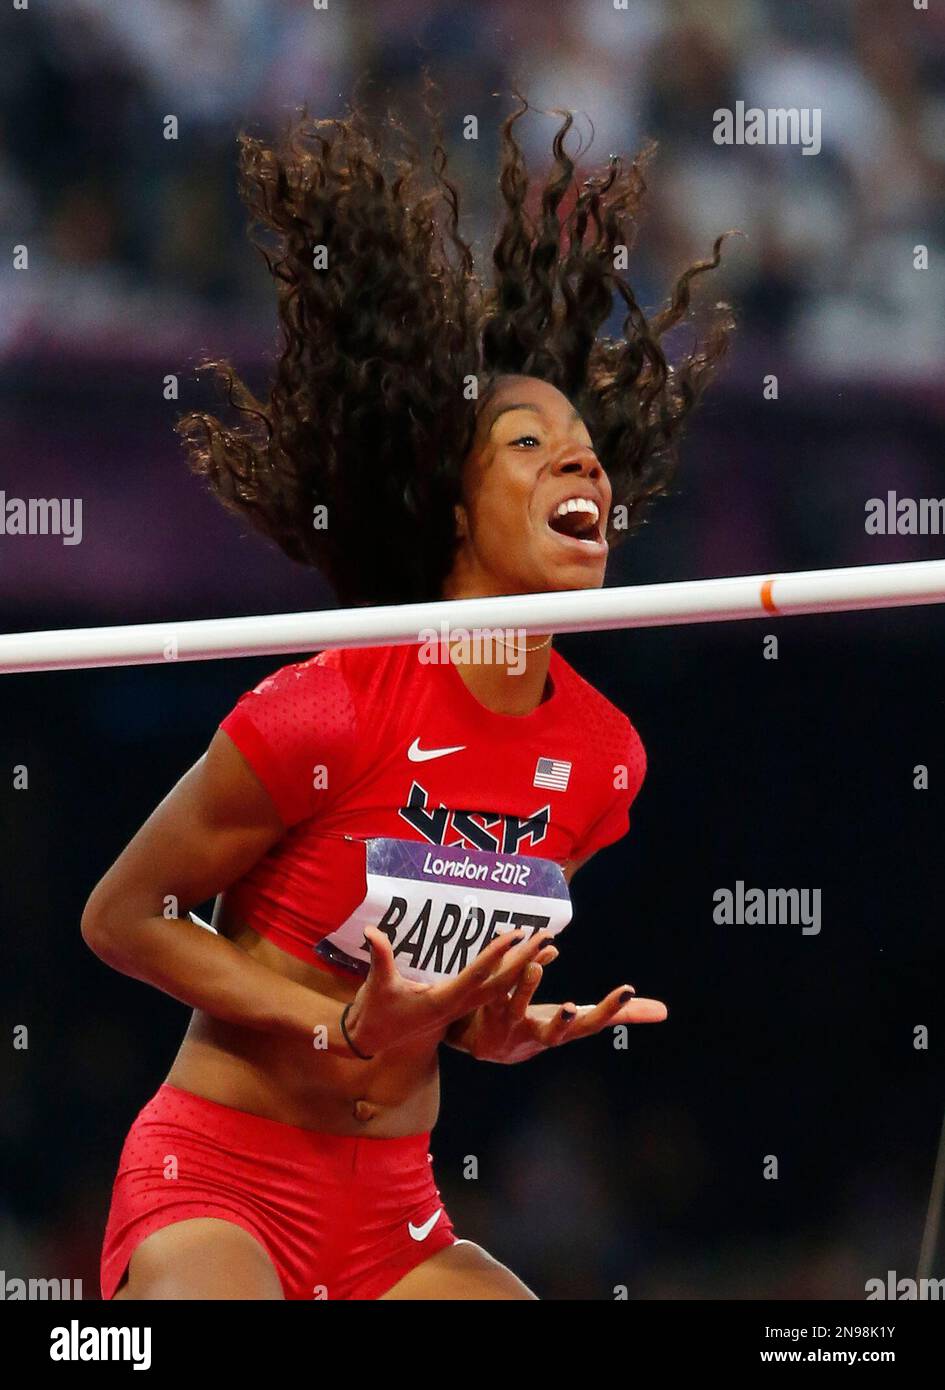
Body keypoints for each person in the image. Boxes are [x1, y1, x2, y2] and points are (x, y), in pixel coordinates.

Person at [82, 92, 732, 1301]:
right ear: (453, 506)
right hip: (221, 1178)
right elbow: (124, 918)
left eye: (587, 445)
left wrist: (495, 1028)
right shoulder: (331, 707)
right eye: (531, 445)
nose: (581, 457)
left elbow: (453, 1008)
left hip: (395, 1213)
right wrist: (331, 1026)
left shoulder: (604, 759)